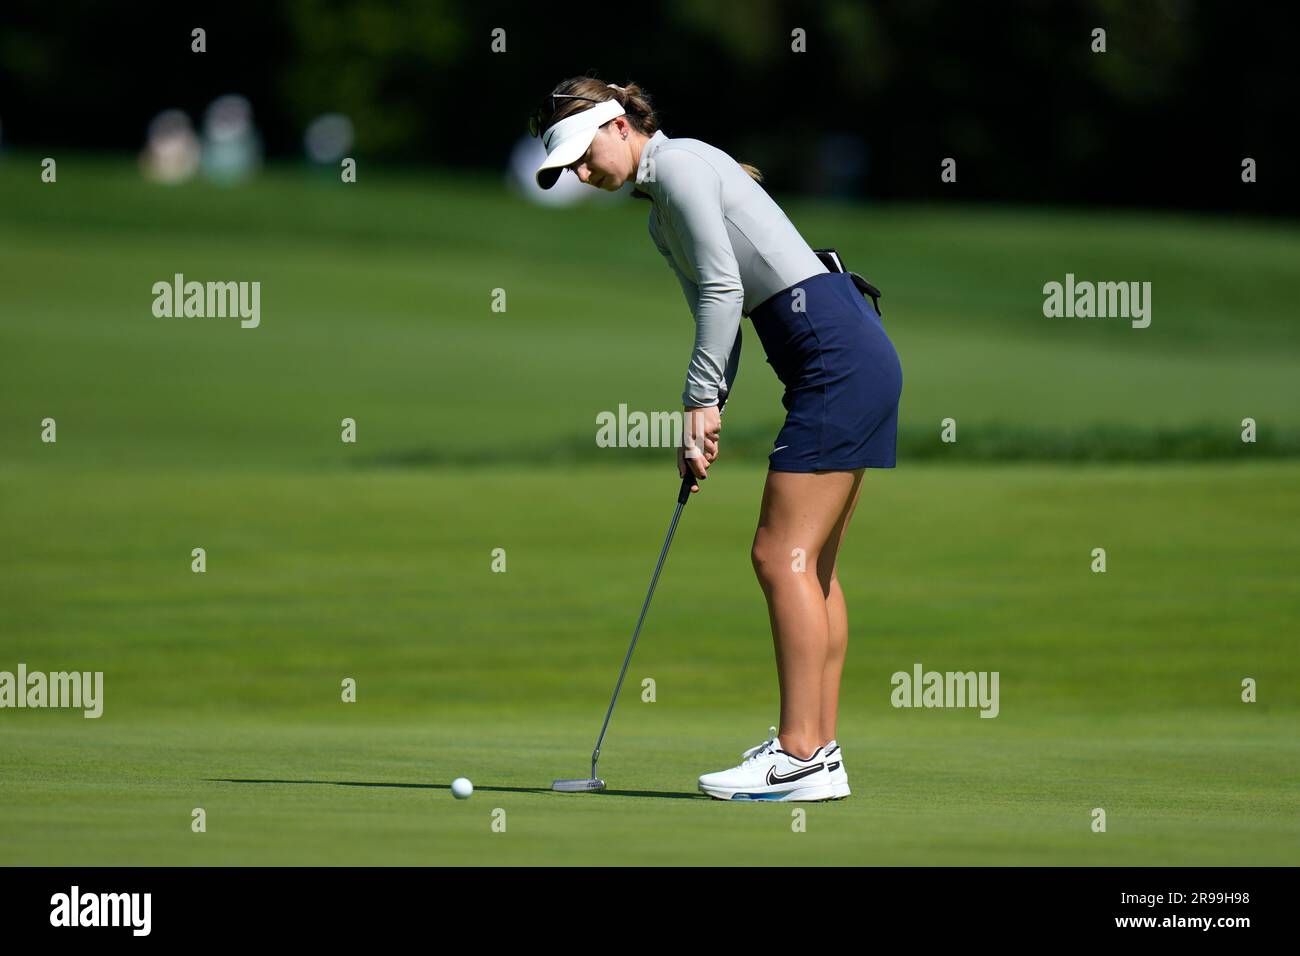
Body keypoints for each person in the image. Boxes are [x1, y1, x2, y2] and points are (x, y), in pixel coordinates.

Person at [530, 77, 903, 801]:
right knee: (813, 563)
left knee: (779, 553)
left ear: (618, 126)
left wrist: (698, 400)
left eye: (581, 156)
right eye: (567, 168)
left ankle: (798, 756)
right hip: (845, 353)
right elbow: (721, 307)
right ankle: (818, 752)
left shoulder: (682, 167)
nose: (581, 174)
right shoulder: (659, 210)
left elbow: (722, 293)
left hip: (835, 355)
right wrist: (709, 409)